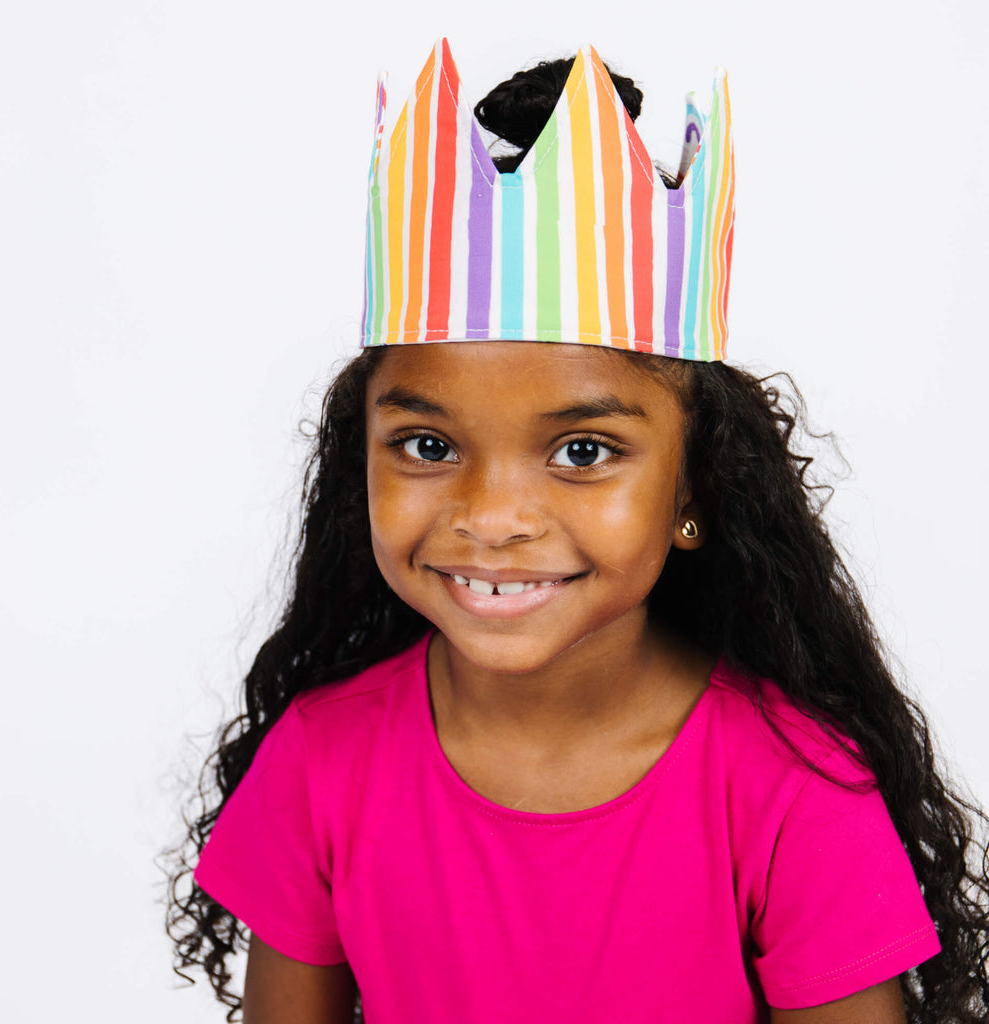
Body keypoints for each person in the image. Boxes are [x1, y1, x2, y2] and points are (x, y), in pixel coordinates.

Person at [165, 40, 989, 1022]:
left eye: (584, 452)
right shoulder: (318, 763)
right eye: (427, 443)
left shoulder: (789, 790)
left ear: (698, 487)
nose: (492, 516)